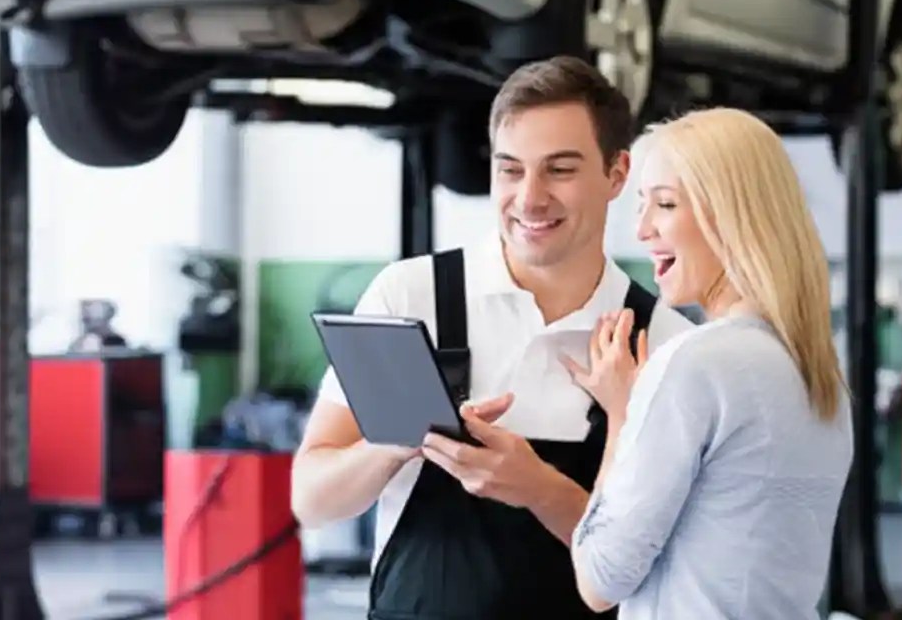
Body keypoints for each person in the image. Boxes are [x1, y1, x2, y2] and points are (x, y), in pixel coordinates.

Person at [291, 56, 696, 619]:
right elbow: (310, 500)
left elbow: (670, 564)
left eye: (560, 170)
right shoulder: (411, 297)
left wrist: (538, 487)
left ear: (616, 175)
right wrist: (404, 437)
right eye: (510, 169)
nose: (529, 198)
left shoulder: (665, 342)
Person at [564, 107, 855, 620]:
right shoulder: (817, 373)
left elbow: (601, 578)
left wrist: (620, 417)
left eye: (666, 204)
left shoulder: (696, 363)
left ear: (730, 215)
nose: (643, 230)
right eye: (640, 206)